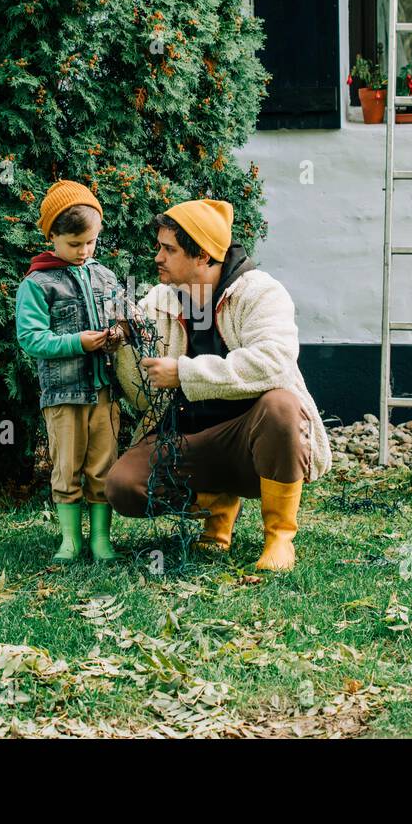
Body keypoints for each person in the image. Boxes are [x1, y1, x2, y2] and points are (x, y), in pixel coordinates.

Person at [107, 199, 332, 572]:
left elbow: (275, 363)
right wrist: (125, 340)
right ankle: (218, 505)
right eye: (159, 246)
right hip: (189, 436)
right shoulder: (160, 299)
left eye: (169, 249)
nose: (157, 257)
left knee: (282, 407)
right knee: (123, 487)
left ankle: (279, 537)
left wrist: (185, 372)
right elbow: (139, 393)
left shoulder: (260, 293)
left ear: (204, 256)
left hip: (250, 440)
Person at [15, 180, 128, 562]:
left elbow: (125, 318)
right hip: (64, 394)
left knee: (103, 466)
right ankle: (70, 539)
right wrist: (77, 342)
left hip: (103, 392)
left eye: (91, 243)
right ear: (52, 236)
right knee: (67, 467)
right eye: (74, 244)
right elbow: (31, 339)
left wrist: (118, 333)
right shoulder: (37, 283)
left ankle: (100, 539)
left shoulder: (106, 277)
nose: (83, 252)